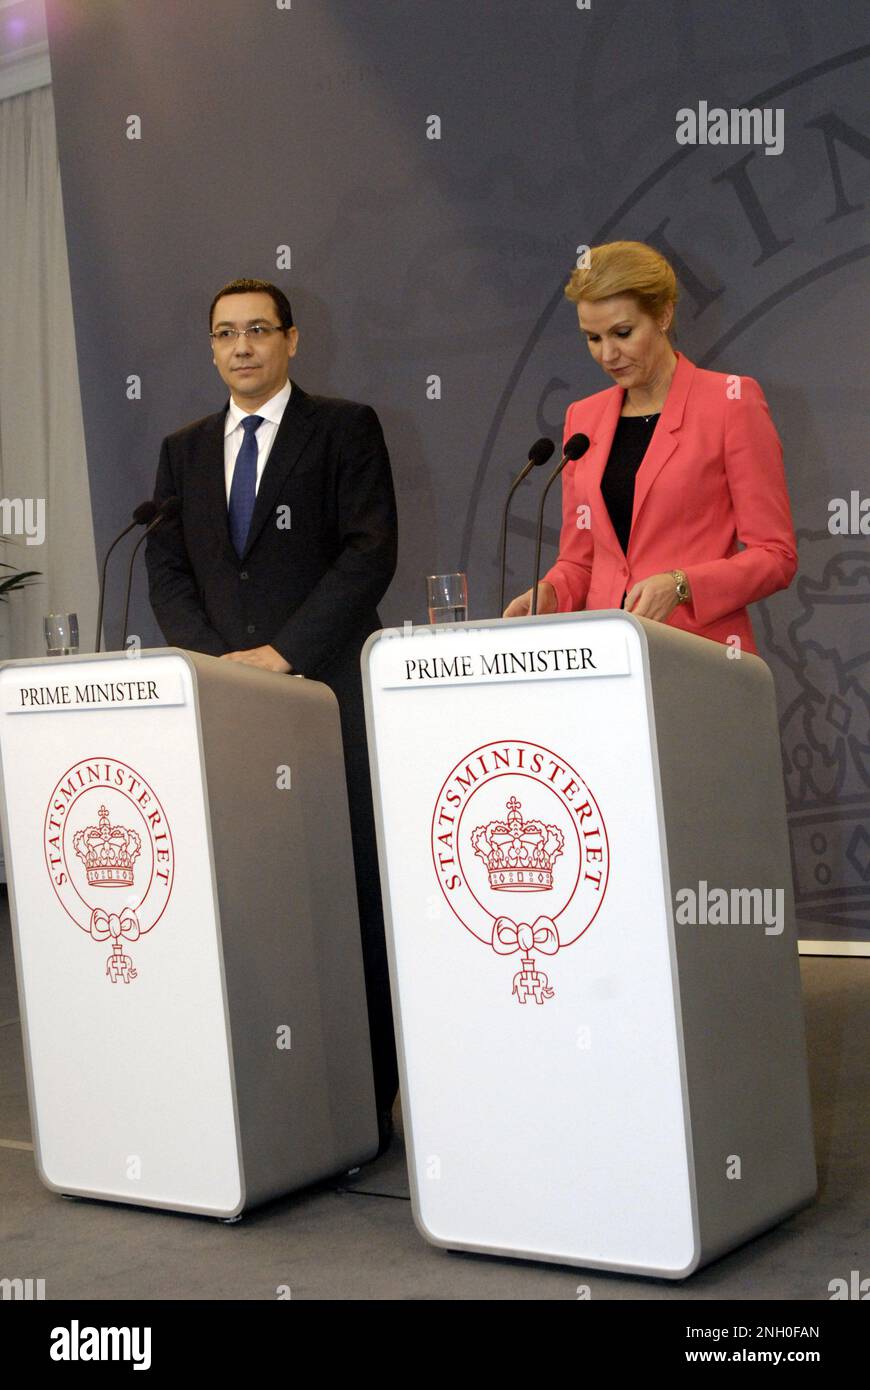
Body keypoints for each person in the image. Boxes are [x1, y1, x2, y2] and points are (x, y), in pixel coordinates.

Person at [145, 277, 398, 1150]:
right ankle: (266, 1092)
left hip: (325, 693)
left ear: (292, 340)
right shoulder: (182, 450)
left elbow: (370, 554)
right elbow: (166, 566)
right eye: (225, 333)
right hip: (226, 706)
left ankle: (366, 1102)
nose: (242, 346)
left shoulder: (344, 427)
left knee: (348, 890)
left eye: (259, 330)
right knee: (247, 894)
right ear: (211, 348)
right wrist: (217, 666)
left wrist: (283, 653)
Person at [504, 241, 797, 653]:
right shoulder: (582, 419)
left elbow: (775, 555)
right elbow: (580, 560)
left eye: (623, 333)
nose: (608, 354)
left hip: (699, 655)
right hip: (606, 660)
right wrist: (551, 592)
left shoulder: (730, 402)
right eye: (593, 337)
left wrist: (682, 586)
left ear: (663, 314)